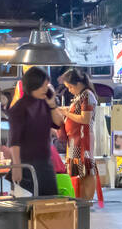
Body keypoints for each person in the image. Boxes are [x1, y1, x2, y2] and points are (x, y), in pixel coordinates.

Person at [6, 66, 63, 194]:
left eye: (47, 85)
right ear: (33, 85)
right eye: (43, 85)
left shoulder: (44, 103)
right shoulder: (19, 108)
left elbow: (58, 123)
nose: (46, 89)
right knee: (29, 207)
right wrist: (16, 166)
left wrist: (52, 104)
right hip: (26, 164)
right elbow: (14, 140)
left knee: (49, 204)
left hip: (45, 163)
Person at [59, 67, 99, 204]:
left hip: (83, 139)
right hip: (74, 140)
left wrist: (66, 113)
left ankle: (87, 199)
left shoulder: (87, 95)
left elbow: (85, 119)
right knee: (78, 171)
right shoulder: (79, 96)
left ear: (78, 83)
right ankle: (81, 198)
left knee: (86, 170)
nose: (69, 90)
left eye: (70, 87)